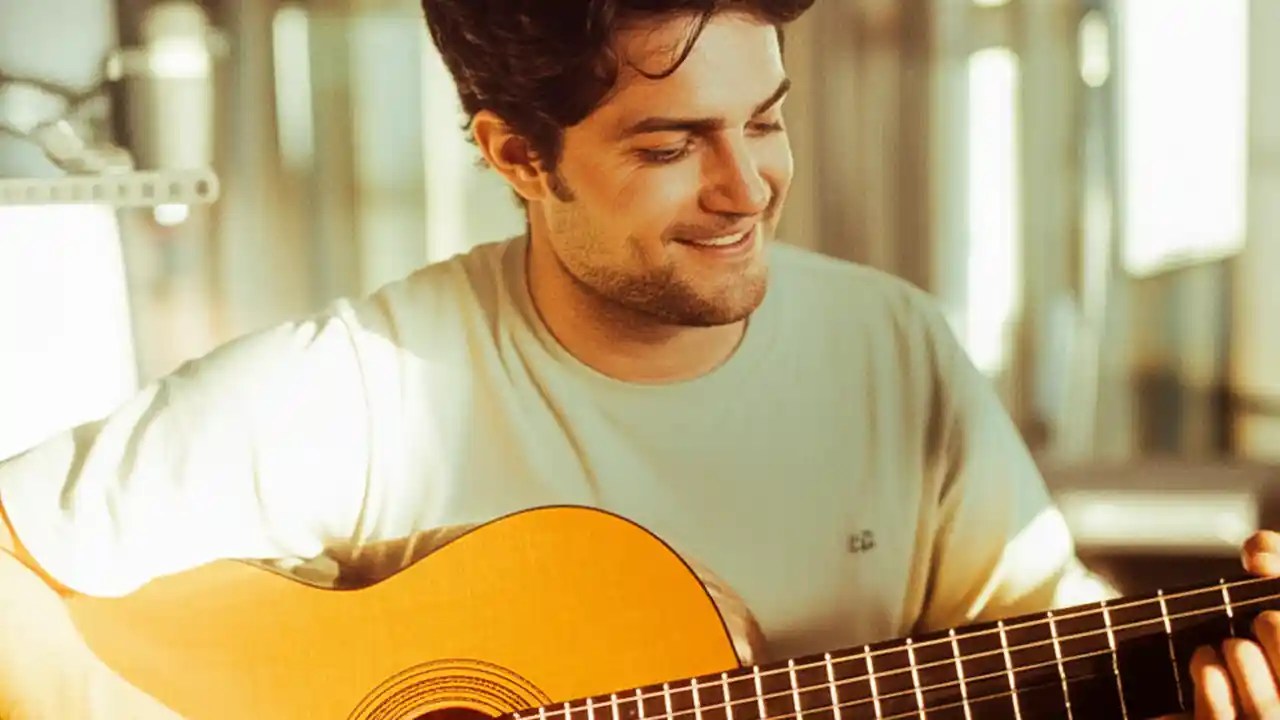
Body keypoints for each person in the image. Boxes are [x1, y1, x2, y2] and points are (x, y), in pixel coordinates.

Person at [0, 1, 1277, 718]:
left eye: (765, 122)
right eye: (670, 146)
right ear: (514, 157)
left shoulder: (894, 347)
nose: (746, 188)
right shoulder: (369, 382)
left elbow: (1045, 653)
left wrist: (1204, 688)